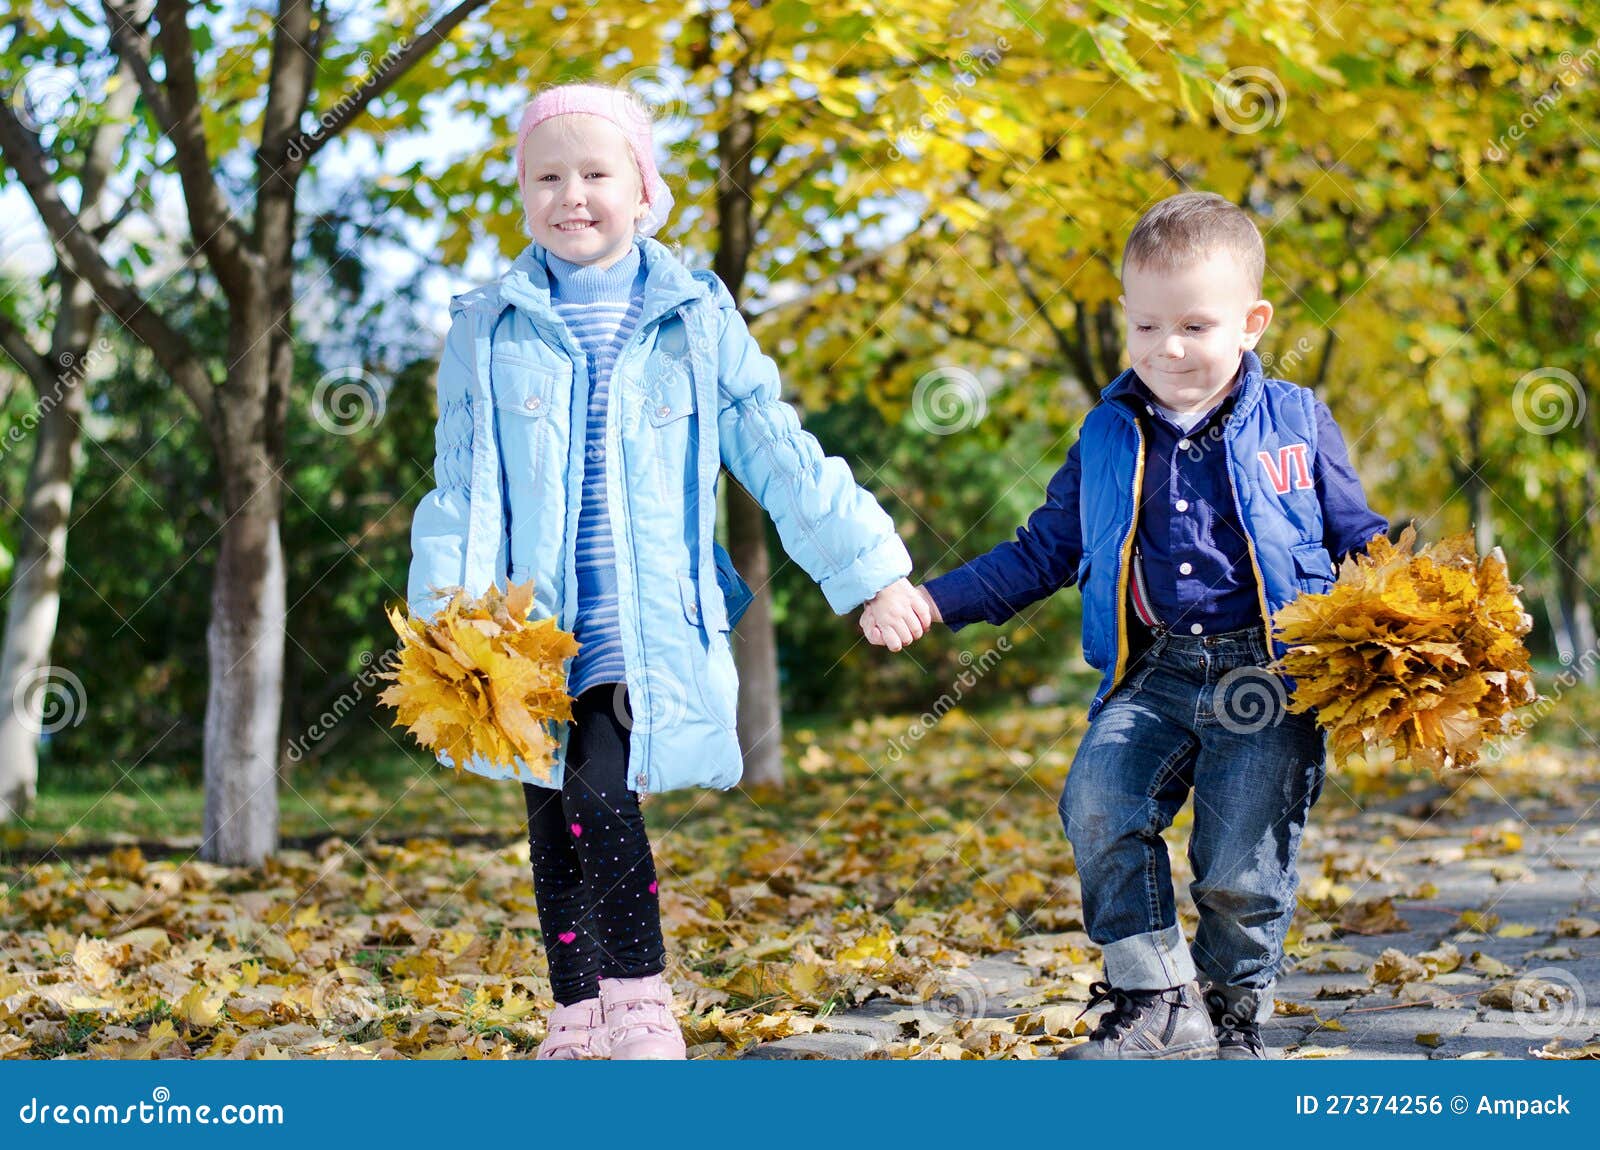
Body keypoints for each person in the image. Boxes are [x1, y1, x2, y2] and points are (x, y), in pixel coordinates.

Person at [406, 83, 930, 1059]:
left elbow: (776, 447)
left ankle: (640, 1002)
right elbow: (464, 483)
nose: (572, 194)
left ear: (643, 190)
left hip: (642, 626)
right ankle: (575, 1014)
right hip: (527, 633)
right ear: (522, 192)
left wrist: (869, 573)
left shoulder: (693, 316)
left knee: (605, 795)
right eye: (546, 176)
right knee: (554, 816)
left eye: (596, 173)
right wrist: (450, 626)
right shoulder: (488, 325)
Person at [861, 191, 1388, 1059]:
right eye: (1146, 328)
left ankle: (1229, 1011)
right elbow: (1042, 550)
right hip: (1156, 671)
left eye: (1194, 325)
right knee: (1098, 802)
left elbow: (1357, 534)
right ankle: (1155, 999)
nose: (1168, 349)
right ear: (1124, 321)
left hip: (1272, 672)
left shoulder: (1299, 420)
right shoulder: (1108, 433)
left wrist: (1422, 590)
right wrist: (932, 598)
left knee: (1239, 868)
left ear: (1252, 322)